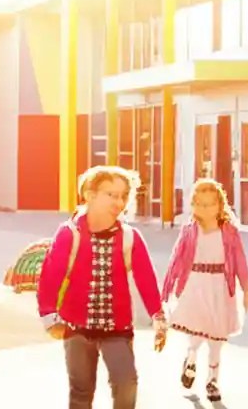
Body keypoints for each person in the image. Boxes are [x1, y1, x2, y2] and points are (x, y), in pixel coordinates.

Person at [37, 166, 167, 409]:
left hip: (116, 329)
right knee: (81, 392)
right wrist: (49, 317)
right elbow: (50, 276)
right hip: (76, 328)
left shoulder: (130, 236)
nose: (119, 201)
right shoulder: (70, 233)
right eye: (111, 194)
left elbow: (146, 279)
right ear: (90, 194)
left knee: (126, 383)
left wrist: (158, 315)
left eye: (123, 196)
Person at [162, 178, 248, 403]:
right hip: (195, 283)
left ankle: (212, 380)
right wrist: (166, 289)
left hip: (220, 287)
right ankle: (191, 358)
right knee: (197, 328)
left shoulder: (229, 232)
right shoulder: (189, 230)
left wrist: (247, 287)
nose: (204, 208)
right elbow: (176, 259)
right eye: (199, 203)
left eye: (210, 203)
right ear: (193, 205)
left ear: (219, 205)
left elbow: (240, 261)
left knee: (217, 335)